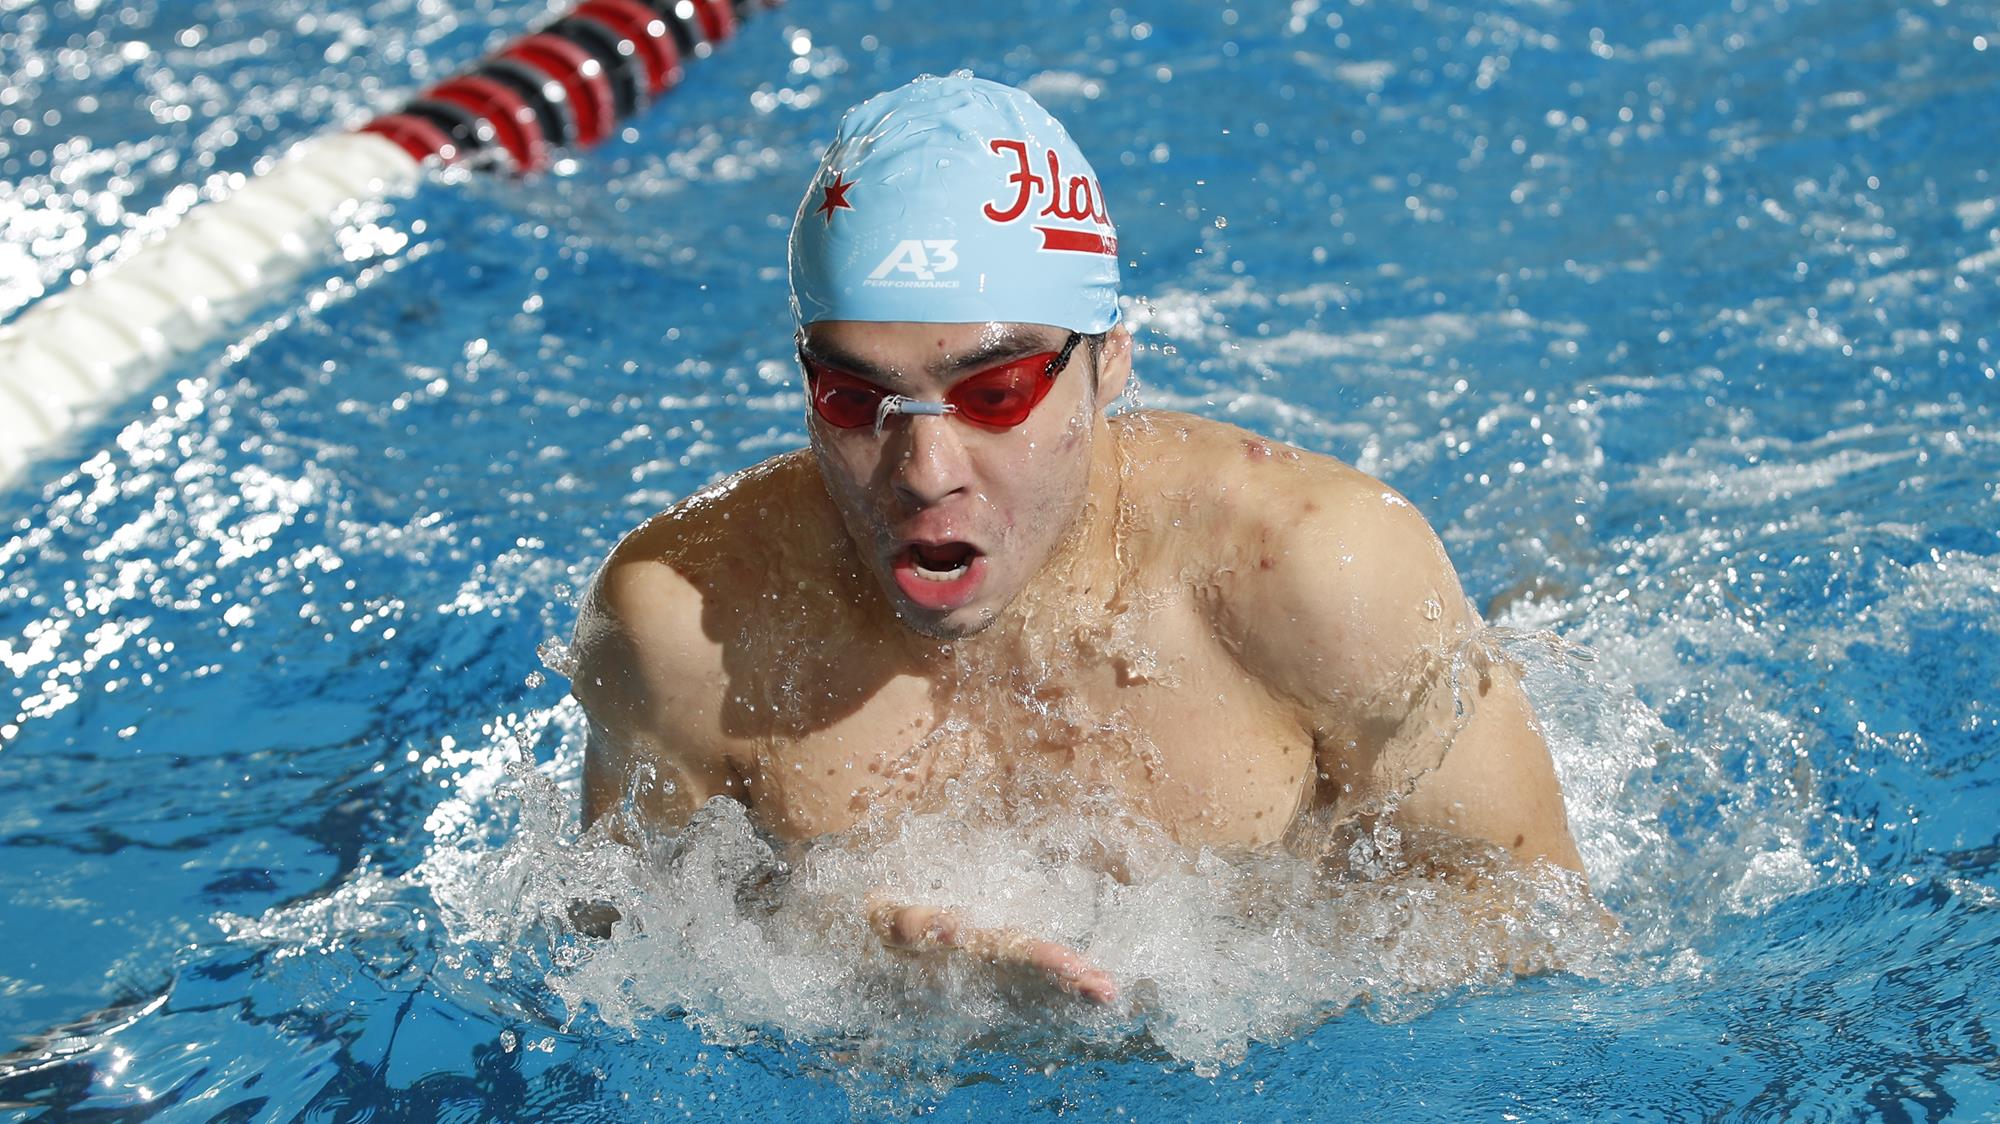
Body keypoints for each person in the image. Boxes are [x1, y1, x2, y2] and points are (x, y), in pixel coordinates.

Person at [569, 75, 1587, 1005]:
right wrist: (852, 964)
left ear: (1108, 366)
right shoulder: (685, 629)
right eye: (853, 395)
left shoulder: (1316, 574)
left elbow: (1543, 935)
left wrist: (1189, 994)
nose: (924, 471)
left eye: (993, 394)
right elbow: (610, 965)